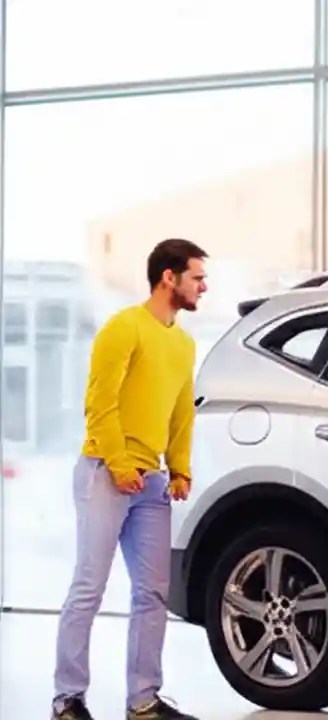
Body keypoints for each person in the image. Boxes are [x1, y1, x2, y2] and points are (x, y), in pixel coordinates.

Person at [51, 239, 208, 720]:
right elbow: (101, 403)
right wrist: (119, 464)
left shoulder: (183, 343)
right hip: (105, 473)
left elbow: (182, 411)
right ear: (168, 278)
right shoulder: (124, 328)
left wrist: (179, 467)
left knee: (152, 593)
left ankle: (143, 700)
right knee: (89, 588)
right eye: (197, 277)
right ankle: (67, 699)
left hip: (152, 483)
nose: (204, 286)